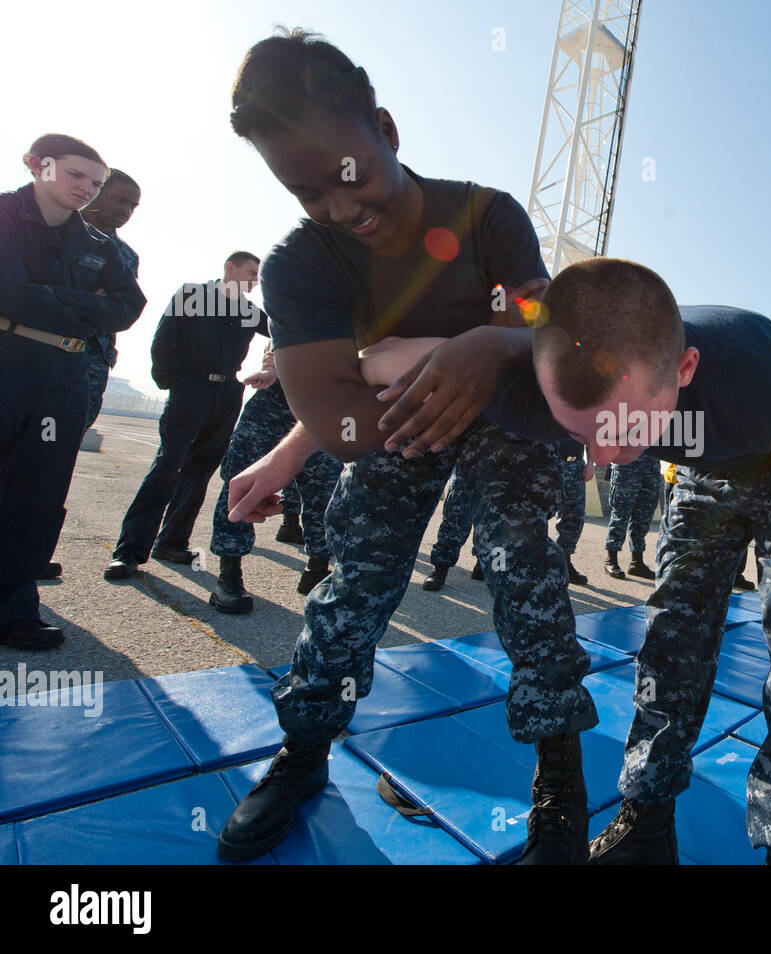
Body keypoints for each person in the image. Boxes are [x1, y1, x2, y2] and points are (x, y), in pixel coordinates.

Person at [360, 257, 771, 865]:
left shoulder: (769, 387)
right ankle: (646, 821)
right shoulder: (555, 373)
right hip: (705, 468)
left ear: (683, 370)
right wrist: (359, 358)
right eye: (588, 433)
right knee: (672, 634)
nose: (609, 454)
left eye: (624, 428)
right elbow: (390, 355)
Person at [213, 29, 596, 865]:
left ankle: (560, 779)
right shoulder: (302, 264)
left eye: (346, 173)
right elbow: (335, 419)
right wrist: (444, 355)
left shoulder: (486, 213)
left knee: (524, 566)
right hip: (390, 430)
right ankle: (304, 748)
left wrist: (490, 348)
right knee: (357, 580)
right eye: (304, 191)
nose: (339, 205)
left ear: (385, 131)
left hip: (504, 417)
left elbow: (547, 327)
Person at [1, 135, 146, 649]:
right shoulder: (6, 216)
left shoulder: (99, 246)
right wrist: (84, 302)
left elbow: (127, 307)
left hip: (63, 370)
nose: (86, 189)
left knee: (37, 495)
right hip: (8, 360)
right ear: (39, 166)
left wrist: (50, 302)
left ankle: (16, 610)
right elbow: (9, 290)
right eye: (75, 176)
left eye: (95, 182)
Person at [103, 252, 267, 579]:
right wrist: (172, 382)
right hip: (189, 390)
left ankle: (172, 542)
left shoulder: (249, 312)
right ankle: (130, 551)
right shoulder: (194, 295)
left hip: (226, 395)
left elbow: (287, 331)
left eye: (257, 276)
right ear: (229, 268)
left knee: (198, 472)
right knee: (168, 465)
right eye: (250, 273)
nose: (254, 281)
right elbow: (164, 338)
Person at [208, 345, 343, 612]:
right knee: (243, 484)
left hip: (324, 406)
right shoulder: (306, 303)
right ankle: (229, 576)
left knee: (327, 490)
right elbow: (282, 335)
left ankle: (317, 570)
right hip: (275, 403)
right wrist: (271, 370)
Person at [78, 168, 142, 434]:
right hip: (32, 352)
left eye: (132, 205)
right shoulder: (51, 233)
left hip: (91, 361)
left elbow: (123, 309)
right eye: (119, 199)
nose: (126, 210)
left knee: (61, 446)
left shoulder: (126, 255)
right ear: (95, 191)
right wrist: (87, 300)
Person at [421, 464, 483, 591]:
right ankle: (440, 568)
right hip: (471, 457)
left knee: (500, 522)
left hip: (507, 459)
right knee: (456, 515)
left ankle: (489, 567)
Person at [603, 455, 659, 580]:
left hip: (651, 467)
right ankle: (611, 560)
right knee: (621, 514)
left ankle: (637, 563)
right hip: (626, 466)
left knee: (643, 516)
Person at [553, 438, 591, 585]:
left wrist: (590, 464)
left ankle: (564, 563)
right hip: (553, 463)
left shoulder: (583, 415)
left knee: (575, 517)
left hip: (576, 466)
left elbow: (590, 437)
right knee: (538, 516)